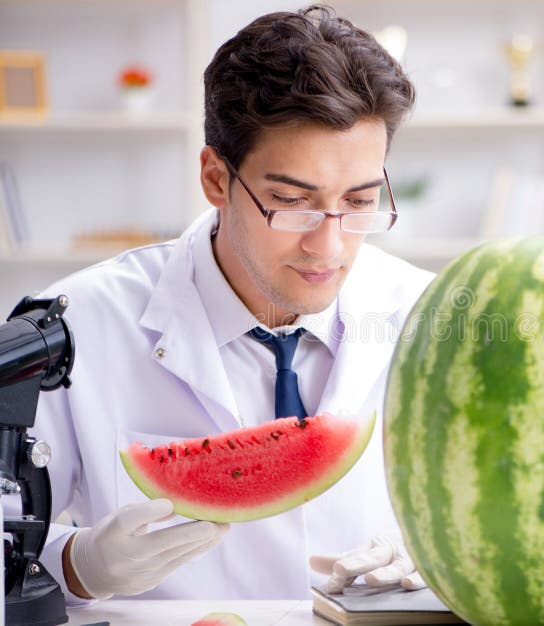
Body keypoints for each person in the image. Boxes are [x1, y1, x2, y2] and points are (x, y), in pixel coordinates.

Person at [28, 4, 434, 603]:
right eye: (291, 201)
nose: (329, 244)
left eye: (358, 202)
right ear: (217, 179)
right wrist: (75, 565)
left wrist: (443, 568)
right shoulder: (74, 326)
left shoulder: (431, 318)